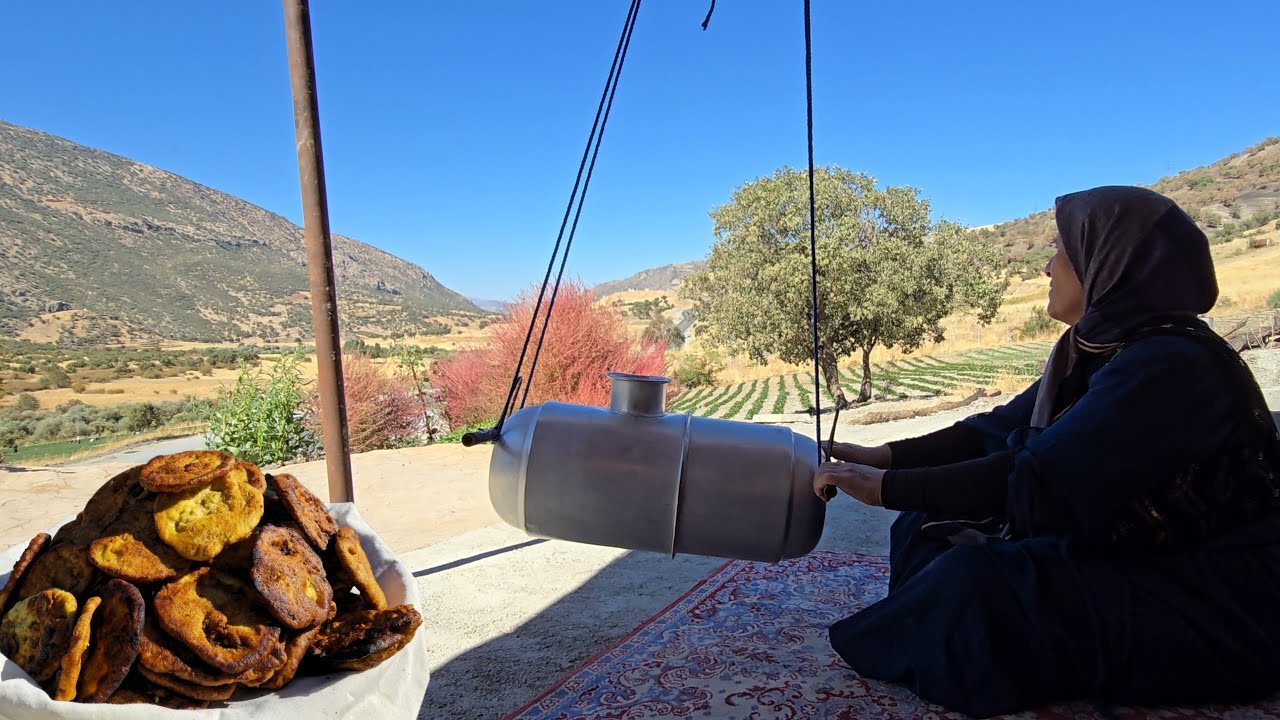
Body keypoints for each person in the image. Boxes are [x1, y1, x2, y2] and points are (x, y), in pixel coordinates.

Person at [813, 185, 1280, 717]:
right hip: (1129, 551)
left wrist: (883, 490)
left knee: (975, 586)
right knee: (925, 523)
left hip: (1215, 593)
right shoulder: (1099, 350)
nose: (1048, 268)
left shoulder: (1172, 366)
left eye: (1061, 251)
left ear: (1108, 262)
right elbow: (993, 429)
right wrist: (881, 457)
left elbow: (1041, 481)